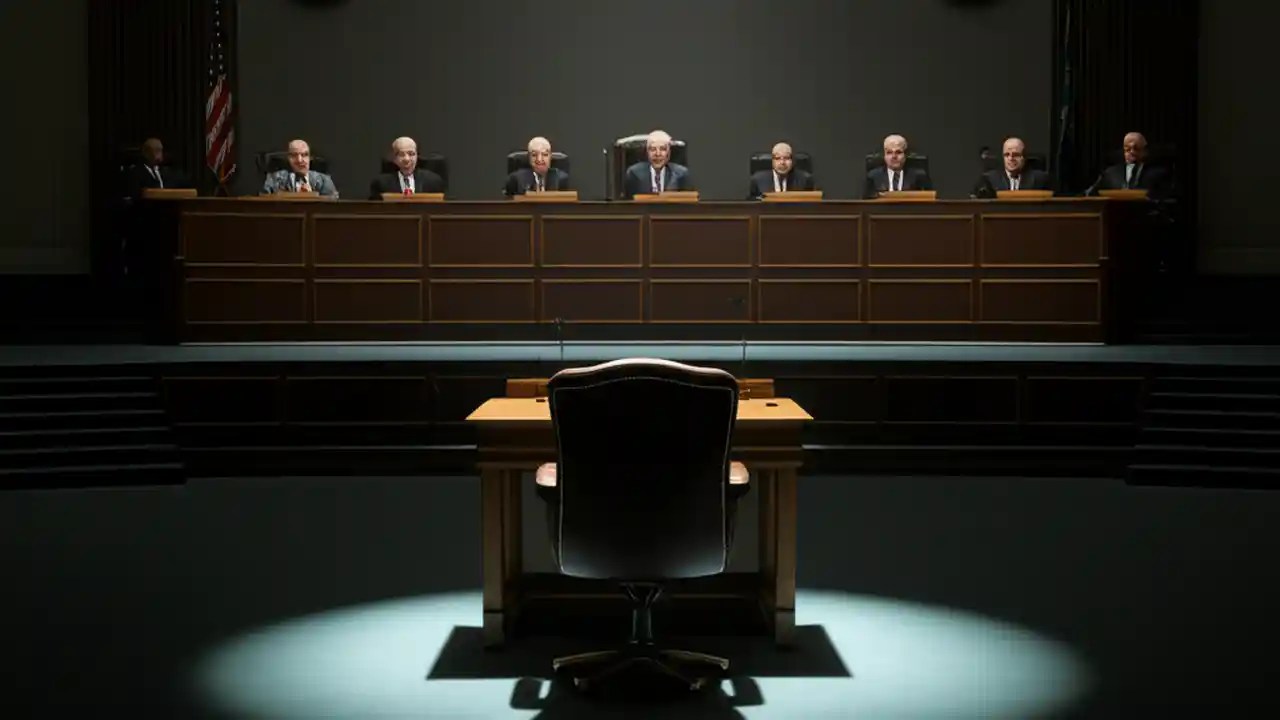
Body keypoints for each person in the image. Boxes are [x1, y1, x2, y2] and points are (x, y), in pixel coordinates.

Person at [1088, 131, 1174, 198]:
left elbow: (1167, 199)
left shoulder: (1159, 174)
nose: (1132, 152)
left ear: (1144, 151)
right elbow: (1090, 194)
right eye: (1127, 149)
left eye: (1136, 149)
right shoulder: (1110, 173)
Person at [622, 130, 693, 199]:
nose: (658, 154)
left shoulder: (680, 174)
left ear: (669, 153)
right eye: (653, 149)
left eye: (663, 149)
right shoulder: (634, 174)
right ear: (647, 152)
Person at [972, 137, 1052, 197]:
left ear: (1024, 157)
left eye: (1016, 155)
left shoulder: (1040, 179)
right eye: (1007, 155)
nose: (1011, 159)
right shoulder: (989, 179)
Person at [368, 136, 444, 198]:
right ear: (394, 158)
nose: (406, 159)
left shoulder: (433, 181)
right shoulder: (381, 184)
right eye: (401, 154)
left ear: (417, 156)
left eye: (411, 154)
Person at [862, 134, 932, 198]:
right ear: (884, 156)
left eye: (898, 152)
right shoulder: (873, 176)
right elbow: (865, 204)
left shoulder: (919, 176)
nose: (893, 156)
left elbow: (929, 201)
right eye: (889, 152)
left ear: (905, 155)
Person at [261, 139, 338, 196]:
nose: (299, 160)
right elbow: (263, 205)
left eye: (304, 155)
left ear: (310, 158)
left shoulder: (324, 180)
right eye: (294, 155)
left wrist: (311, 196)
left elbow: (333, 208)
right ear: (288, 158)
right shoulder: (274, 179)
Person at [123, 137, 190, 200]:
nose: (160, 153)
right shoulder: (135, 173)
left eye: (161, 150)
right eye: (157, 150)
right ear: (146, 152)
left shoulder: (170, 173)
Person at [504, 136, 570, 196]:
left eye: (545, 154)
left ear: (550, 157)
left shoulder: (561, 179)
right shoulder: (516, 179)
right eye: (534, 155)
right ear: (529, 157)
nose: (539, 159)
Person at [747, 142, 815, 198]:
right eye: (777, 158)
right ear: (772, 161)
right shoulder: (758, 180)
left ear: (793, 160)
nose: (782, 162)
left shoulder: (805, 180)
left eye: (787, 158)